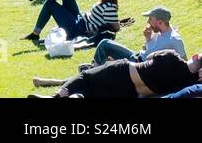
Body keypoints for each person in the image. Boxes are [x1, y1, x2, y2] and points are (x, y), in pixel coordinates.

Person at [33, 51, 202, 99]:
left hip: (122, 71)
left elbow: (149, 56)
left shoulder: (172, 56)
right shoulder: (188, 83)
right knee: (91, 93)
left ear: (194, 56)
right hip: (130, 92)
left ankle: (56, 96)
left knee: (86, 77)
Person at [23, 0, 119, 43]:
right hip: (80, 20)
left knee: (49, 3)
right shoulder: (107, 5)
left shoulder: (109, 7)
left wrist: (115, 24)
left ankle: (35, 34)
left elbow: (115, 27)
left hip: (78, 29)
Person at [93, 5, 187, 65]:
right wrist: (148, 38)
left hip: (138, 64)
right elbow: (149, 50)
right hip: (136, 57)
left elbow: (184, 62)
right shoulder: (158, 32)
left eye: (150, 19)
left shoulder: (174, 39)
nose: (148, 21)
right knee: (107, 52)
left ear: (160, 22)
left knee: (105, 44)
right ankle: (94, 67)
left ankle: (93, 69)